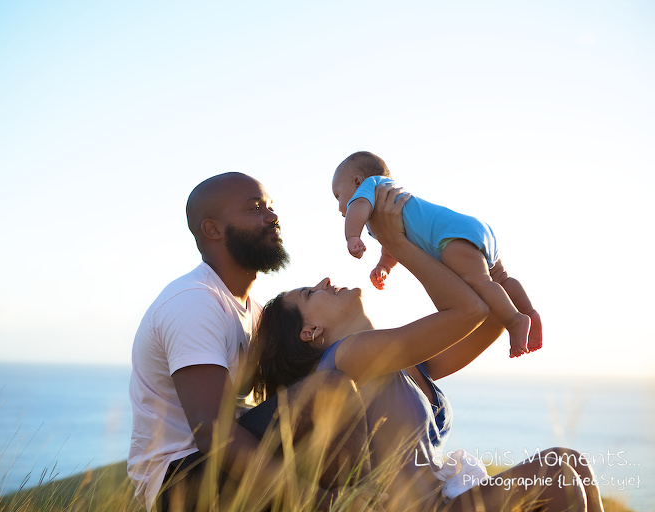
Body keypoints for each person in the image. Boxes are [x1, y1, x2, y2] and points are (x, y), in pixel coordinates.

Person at [252, 185, 604, 512]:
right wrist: (398, 242)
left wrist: (442, 235)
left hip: (445, 500)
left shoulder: (408, 365)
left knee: (571, 461)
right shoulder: (345, 357)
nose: (325, 282)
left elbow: (493, 310)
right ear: (310, 332)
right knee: (557, 477)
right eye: (310, 293)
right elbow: (471, 311)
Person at [127, 172, 381, 512]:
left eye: (270, 207)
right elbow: (211, 433)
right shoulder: (194, 302)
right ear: (213, 229)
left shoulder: (253, 312)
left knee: (342, 389)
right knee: (330, 389)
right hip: (177, 485)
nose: (272, 216)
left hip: (227, 464)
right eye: (255, 208)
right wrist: (322, 504)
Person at [332, 151, 542, 358]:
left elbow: (357, 206)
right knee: (501, 278)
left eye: (338, 196)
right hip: (467, 228)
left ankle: (515, 321)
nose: (340, 206)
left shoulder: (370, 188)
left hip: (450, 238)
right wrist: (384, 266)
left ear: (357, 182)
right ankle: (530, 312)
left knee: (478, 281)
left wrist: (352, 236)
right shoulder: (390, 195)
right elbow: (392, 243)